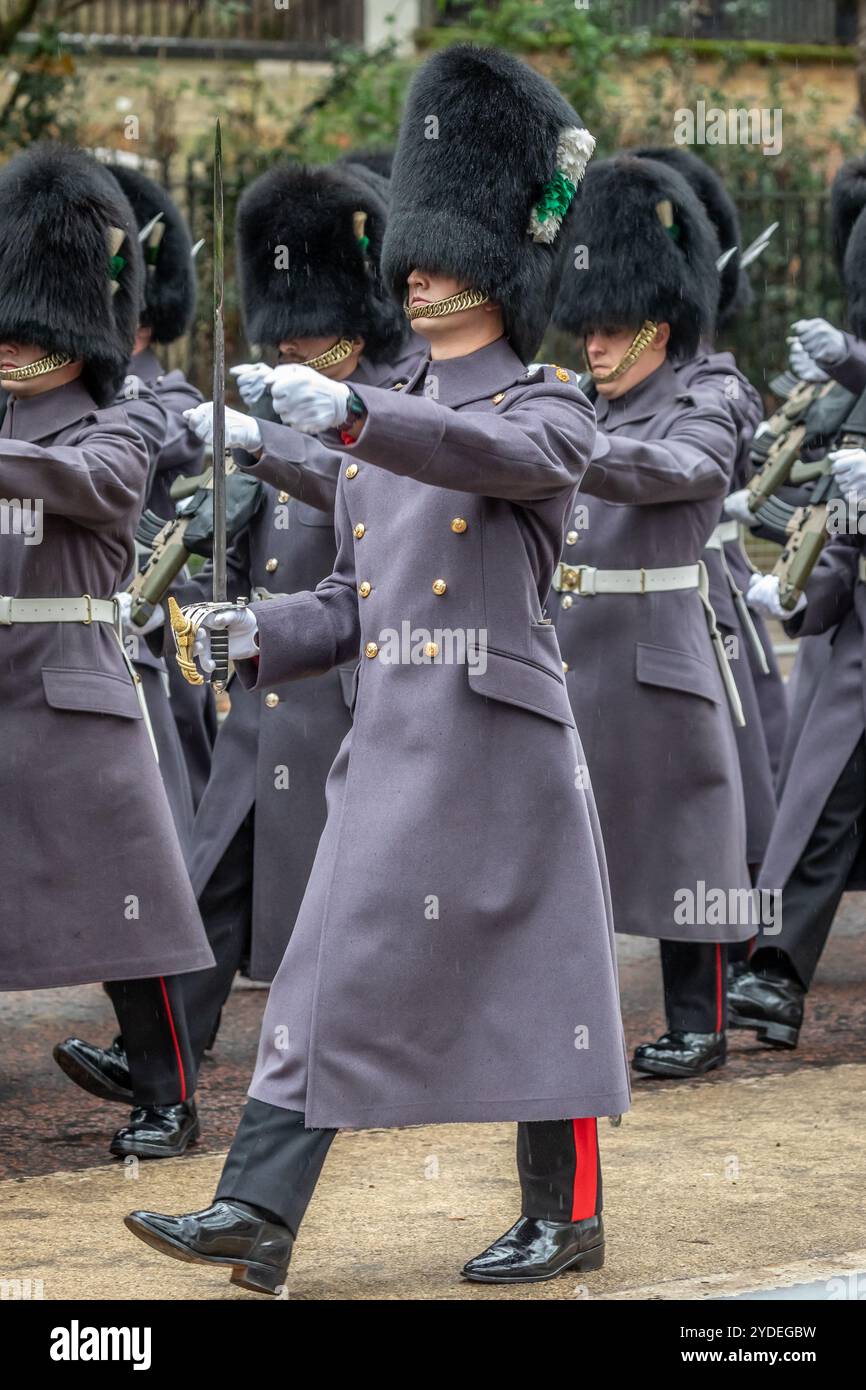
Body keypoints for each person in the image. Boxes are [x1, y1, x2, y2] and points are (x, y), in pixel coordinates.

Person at [123, 43, 629, 1293]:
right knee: (328, 957)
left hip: (496, 742)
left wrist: (344, 416)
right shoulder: (398, 410)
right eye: (416, 251)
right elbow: (354, 602)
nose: (419, 273)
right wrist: (259, 634)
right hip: (393, 737)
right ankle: (256, 1211)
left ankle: (566, 1216)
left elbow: (463, 455)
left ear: (505, 268)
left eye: (446, 255)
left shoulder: (546, 411)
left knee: (537, 978)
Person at [60, 159, 423, 1102]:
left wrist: (270, 448)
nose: (295, 335)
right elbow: (249, 540)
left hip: (351, 688)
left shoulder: (395, 395)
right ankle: (164, 1076)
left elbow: (371, 499)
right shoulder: (281, 388)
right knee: (209, 881)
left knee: (347, 909)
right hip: (267, 688)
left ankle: (357, 1069)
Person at [0, 142, 213, 1159]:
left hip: (74, 687)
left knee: (138, 914)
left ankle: (167, 1098)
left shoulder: (117, 423)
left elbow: (85, 488)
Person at [550, 153, 752, 1079]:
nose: (594, 345)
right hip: (574, 643)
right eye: (587, 328)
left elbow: (684, 472)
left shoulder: (709, 394)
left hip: (660, 642)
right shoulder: (582, 398)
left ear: (657, 326)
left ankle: (700, 1018)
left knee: (686, 833)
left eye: (613, 329)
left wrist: (571, 445)